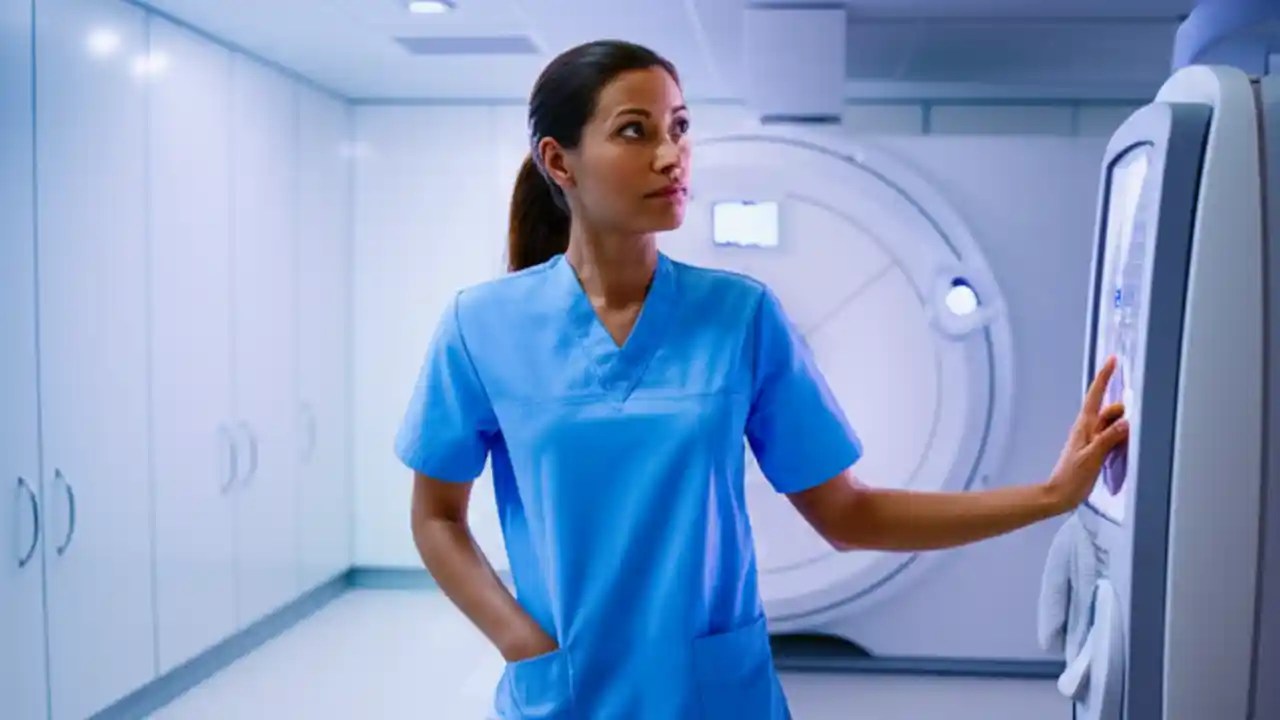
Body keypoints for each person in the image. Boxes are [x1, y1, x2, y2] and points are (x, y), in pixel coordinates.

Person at [394, 39, 1130, 720]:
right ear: (560, 162)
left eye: (680, 128)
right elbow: (437, 517)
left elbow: (849, 515)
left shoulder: (739, 316)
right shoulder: (481, 326)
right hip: (565, 693)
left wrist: (1049, 496)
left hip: (715, 694)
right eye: (635, 131)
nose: (670, 156)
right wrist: (521, 642)